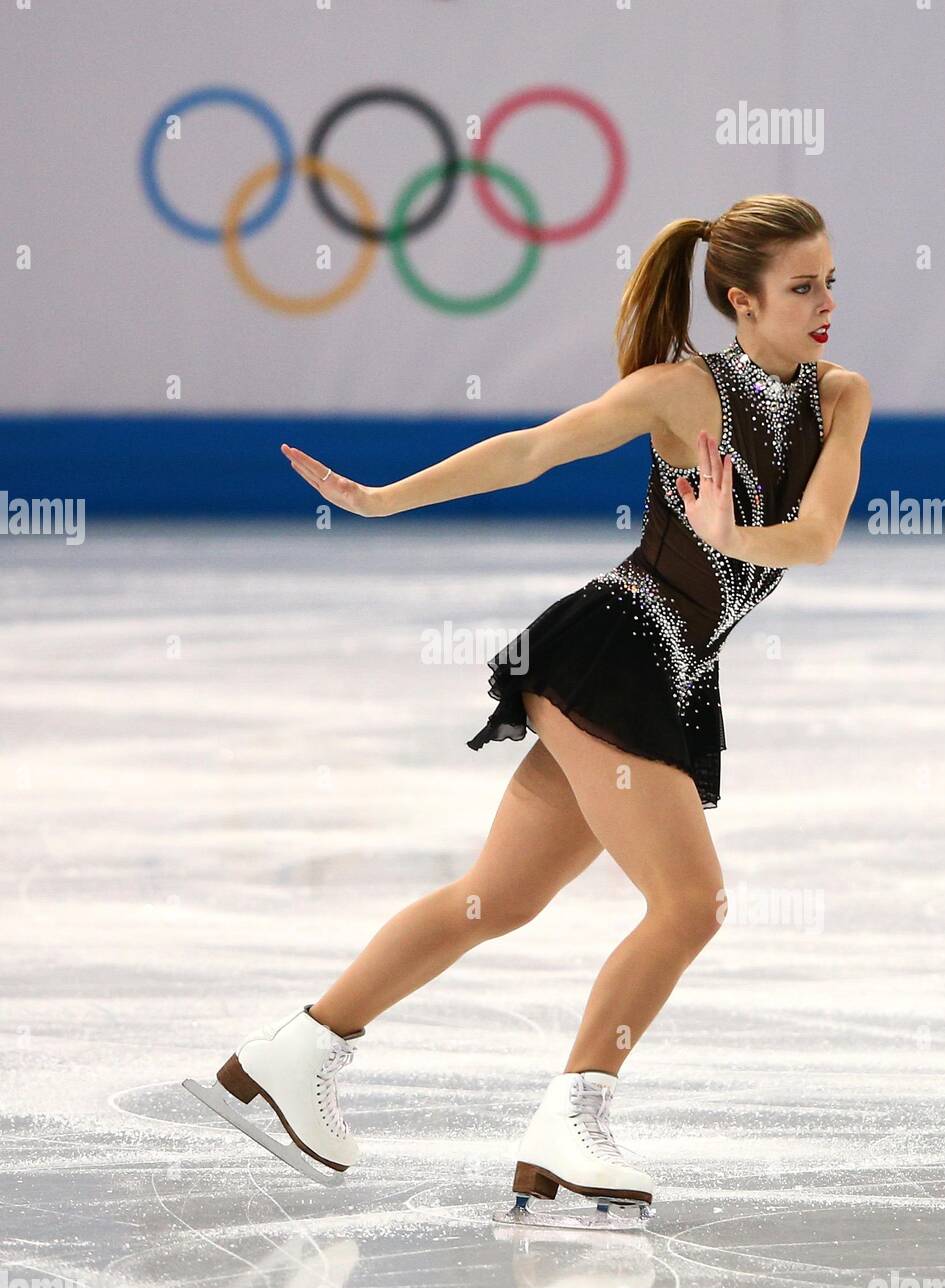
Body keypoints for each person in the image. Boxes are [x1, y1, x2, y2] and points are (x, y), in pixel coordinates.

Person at [184, 194, 871, 1222]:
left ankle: (296, 1049)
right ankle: (573, 1116)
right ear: (741, 300)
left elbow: (815, 535)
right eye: (802, 287)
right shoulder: (680, 391)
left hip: (677, 670)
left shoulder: (841, 397)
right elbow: (531, 450)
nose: (825, 305)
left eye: (830, 283)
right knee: (689, 905)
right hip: (616, 649)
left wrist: (734, 537)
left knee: (495, 898)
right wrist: (381, 499)